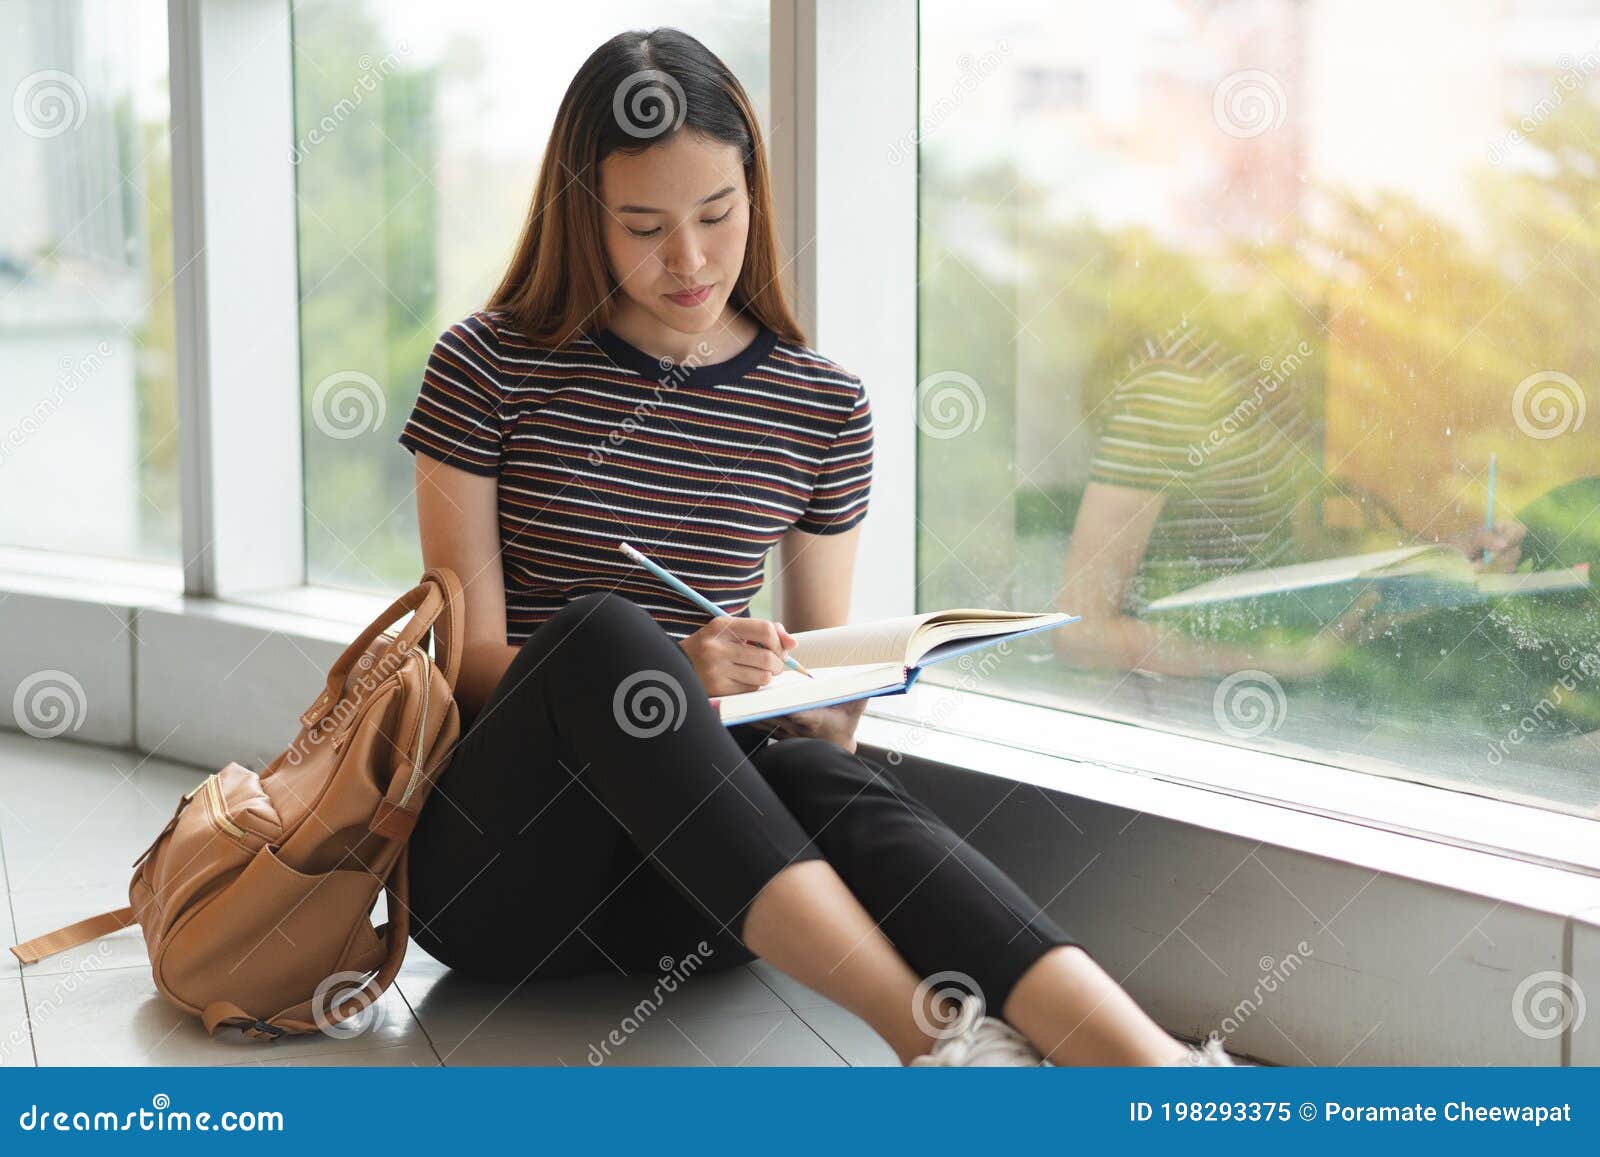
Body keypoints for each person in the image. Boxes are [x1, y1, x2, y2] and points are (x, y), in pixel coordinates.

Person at [398, 27, 1228, 1067]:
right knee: (604, 636)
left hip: (701, 902)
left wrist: (830, 697)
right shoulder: (487, 368)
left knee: (819, 780)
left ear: (756, 195)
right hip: (502, 889)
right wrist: (675, 670)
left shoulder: (819, 405)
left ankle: (1150, 1067)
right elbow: (466, 669)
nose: (691, 259)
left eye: (717, 214)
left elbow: (813, 699)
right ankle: (937, 1045)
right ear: (583, 218)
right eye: (644, 226)